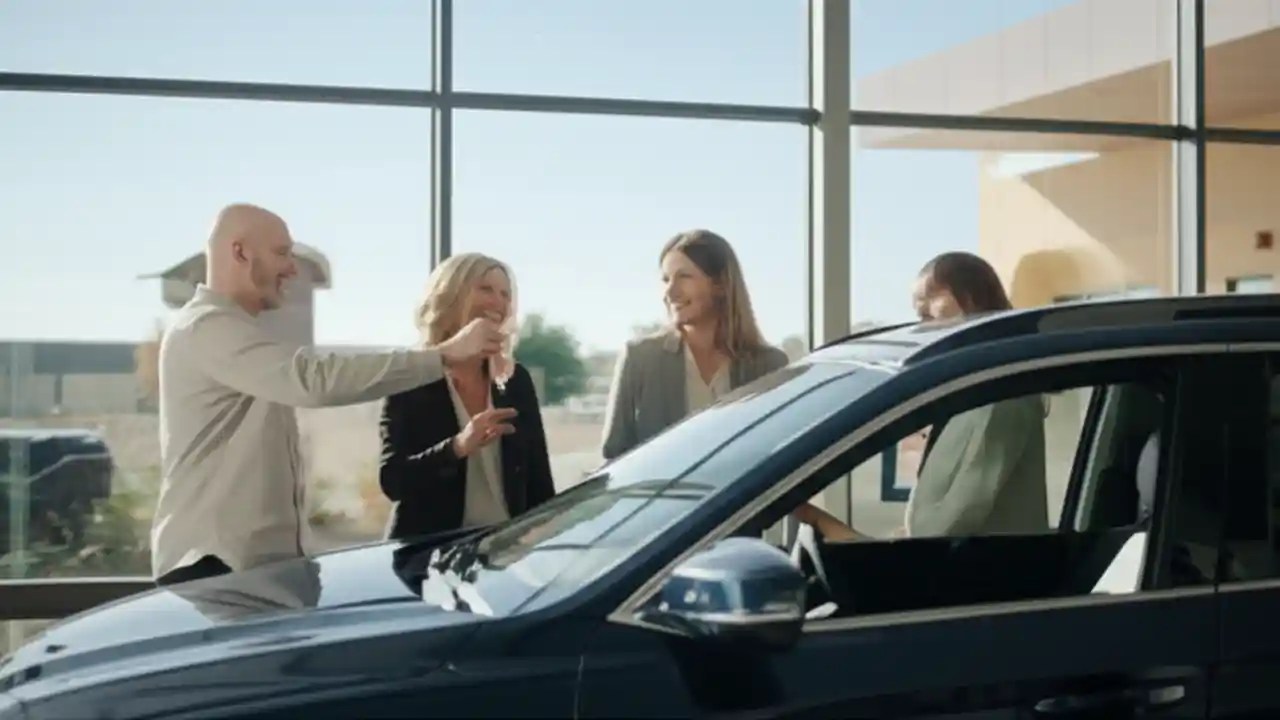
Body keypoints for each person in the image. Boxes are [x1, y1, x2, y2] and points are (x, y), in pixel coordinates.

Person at [151, 203, 505, 586]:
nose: (292, 269)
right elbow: (314, 380)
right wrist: (444, 355)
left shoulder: (242, 336)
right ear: (240, 252)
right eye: (282, 253)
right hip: (215, 567)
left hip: (255, 569)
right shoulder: (206, 328)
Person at [794, 251, 1049, 541]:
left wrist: (820, 520)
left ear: (973, 299)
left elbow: (944, 529)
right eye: (918, 307)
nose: (921, 312)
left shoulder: (998, 395)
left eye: (932, 294)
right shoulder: (963, 393)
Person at [379, 253, 555, 539]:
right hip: (432, 553)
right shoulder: (411, 376)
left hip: (505, 549)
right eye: (486, 289)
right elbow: (393, 481)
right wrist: (458, 447)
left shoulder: (515, 380)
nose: (498, 302)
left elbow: (539, 483)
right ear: (452, 295)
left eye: (505, 294)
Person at [601, 229, 789, 460]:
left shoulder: (770, 366)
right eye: (666, 279)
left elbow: (779, 454)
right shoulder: (639, 359)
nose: (670, 292)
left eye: (684, 277)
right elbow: (613, 455)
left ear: (721, 284)